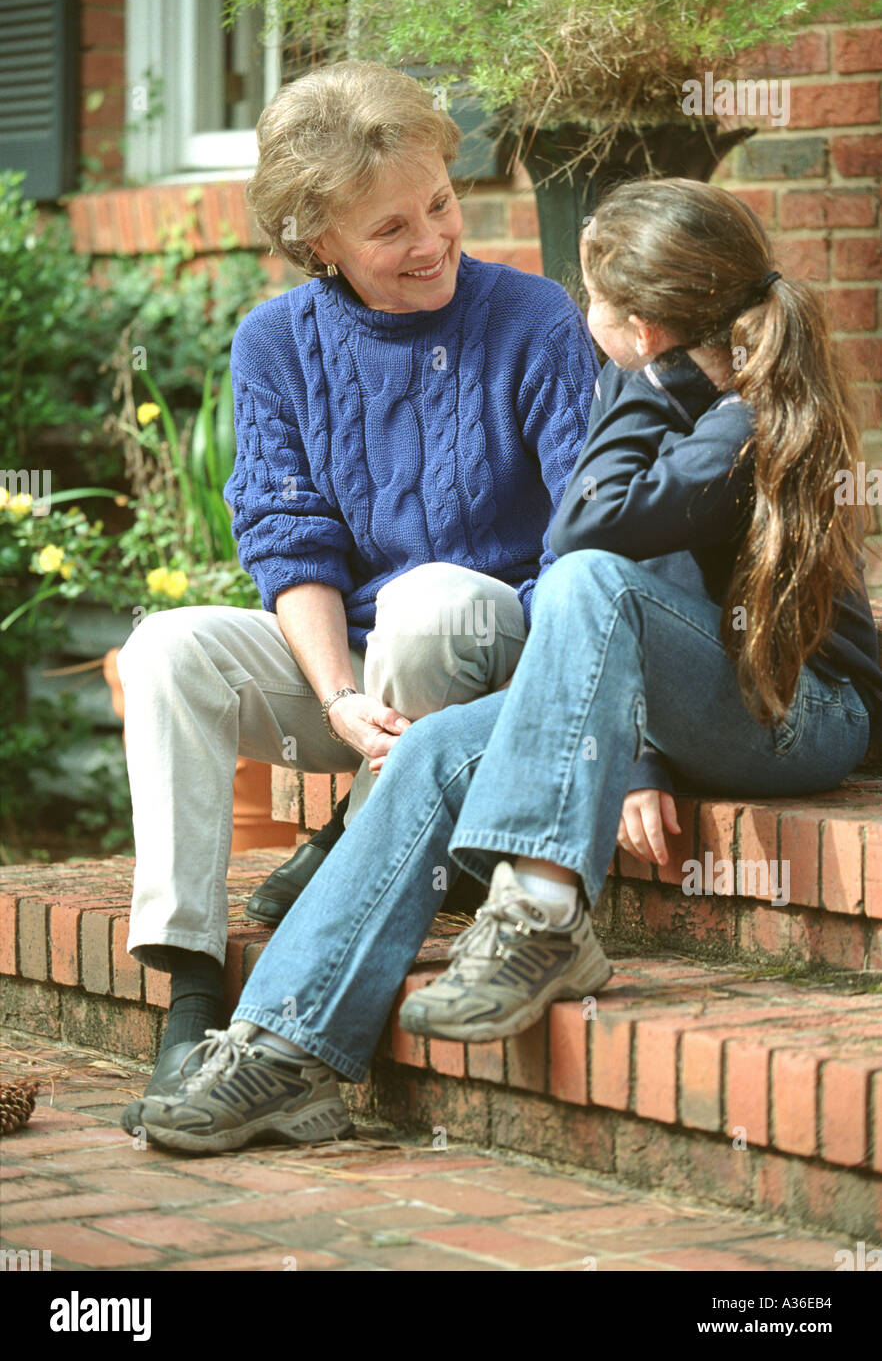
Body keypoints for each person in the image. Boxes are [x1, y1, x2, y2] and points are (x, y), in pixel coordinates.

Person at [136, 177, 881, 1155]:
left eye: (595, 304)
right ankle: (284, 1045)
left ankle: (540, 912)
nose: (581, 317)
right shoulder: (649, 385)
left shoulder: (741, 420)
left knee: (586, 581)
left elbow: (592, 545)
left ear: (643, 327)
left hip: (800, 712)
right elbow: (615, 565)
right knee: (433, 750)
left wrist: (642, 754)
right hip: (685, 698)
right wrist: (635, 383)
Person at [116, 59, 598, 1131]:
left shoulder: (534, 317)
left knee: (435, 600)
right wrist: (334, 694)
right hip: (360, 670)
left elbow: (589, 541)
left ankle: (350, 857)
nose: (430, 241)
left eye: (440, 204)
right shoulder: (275, 343)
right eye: (389, 230)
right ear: (316, 238)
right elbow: (291, 541)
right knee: (166, 648)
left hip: (489, 663)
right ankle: (190, 992)